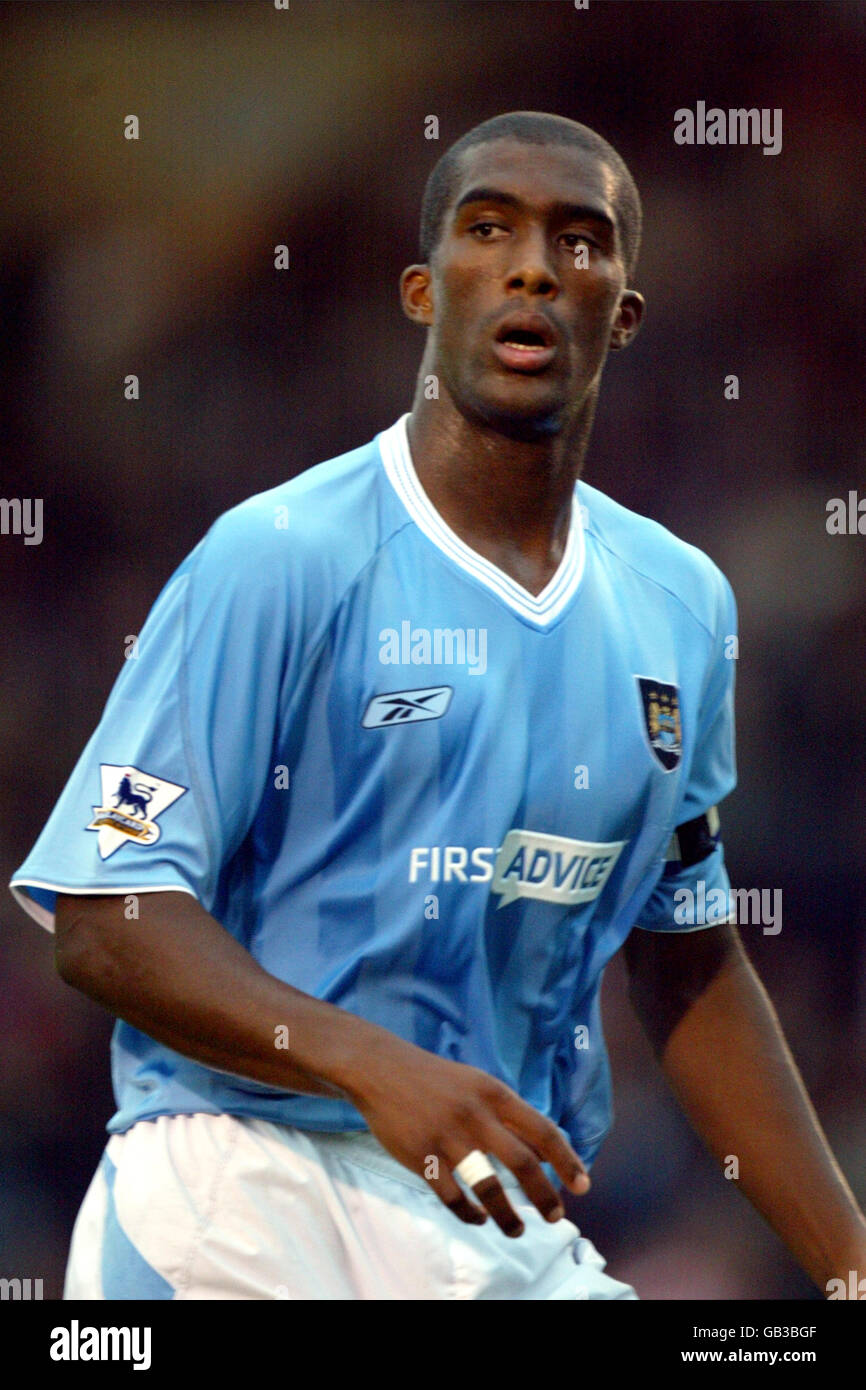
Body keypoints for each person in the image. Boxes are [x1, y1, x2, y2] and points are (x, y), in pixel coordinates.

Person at [11, 111, 866, 1301]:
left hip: (492, 1217)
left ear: (620, 312)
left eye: (578, 241)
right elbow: (107, 911)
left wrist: (848, 1264)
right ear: (422, 291)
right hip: (237, 1192)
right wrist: (373, 1066)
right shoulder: (278, 554)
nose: (530, 266)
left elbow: (688, 956)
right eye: (487, 229)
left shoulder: (680, 603)